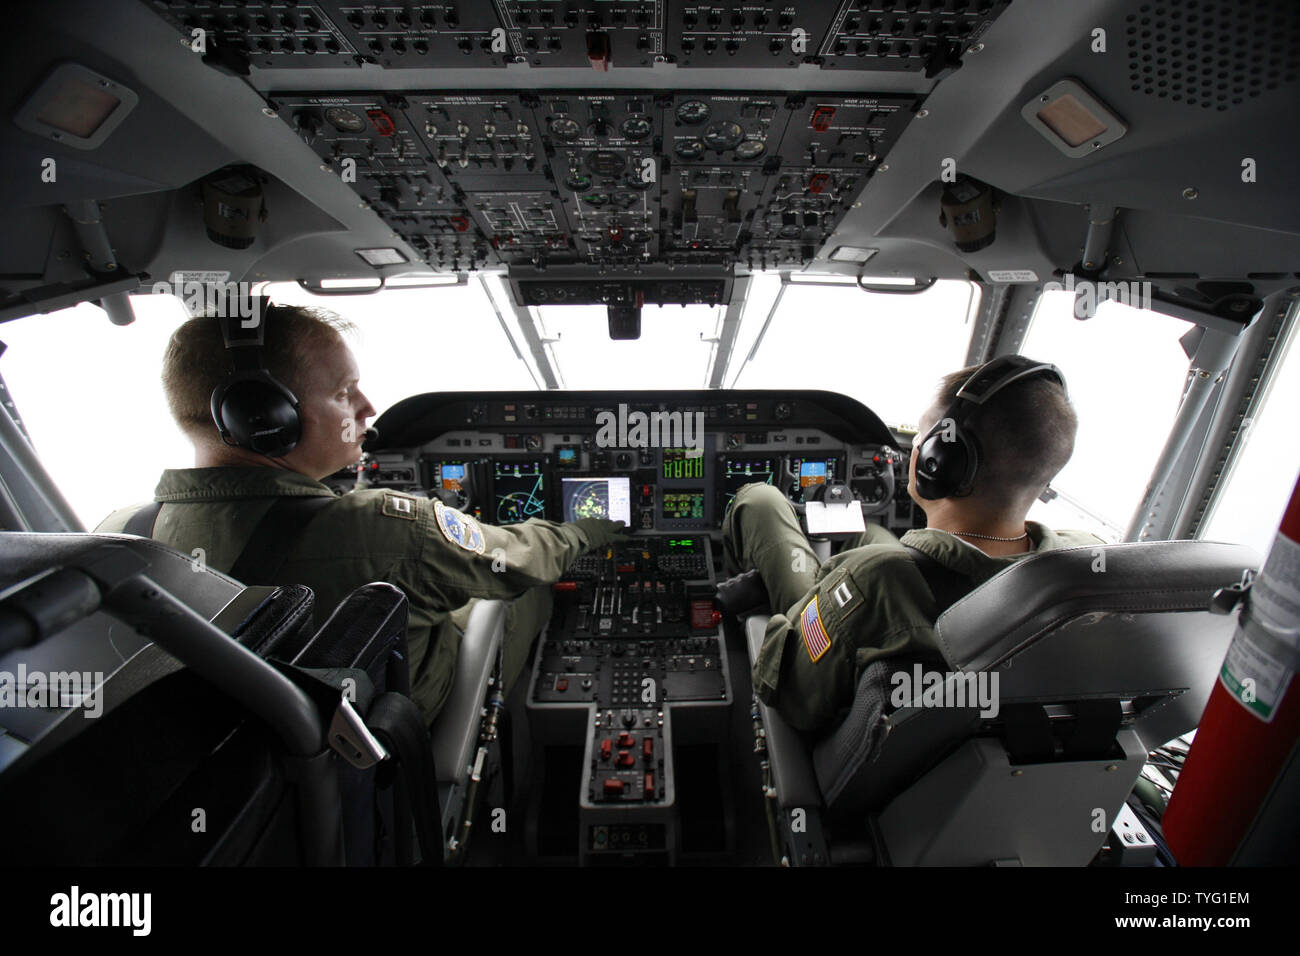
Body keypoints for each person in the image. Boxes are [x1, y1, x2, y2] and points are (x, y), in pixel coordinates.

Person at [97, 302, 625, 723]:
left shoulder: (115, 539)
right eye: (344, 391)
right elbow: (522, 555)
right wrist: (589, 529)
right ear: (266, 417)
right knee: (518, 583)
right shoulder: (388, 527)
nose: (368, 408)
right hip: (385, 735)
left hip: (239, 763)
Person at [721, 356, 1102, 733]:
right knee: (869, 533)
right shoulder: (1085, 567)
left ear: (937, 463)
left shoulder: (875, 578)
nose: (913, 450)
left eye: (919, 439)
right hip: (966, 754)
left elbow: (790, 694)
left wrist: (765, 613)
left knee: (760, 500)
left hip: (839, 752)